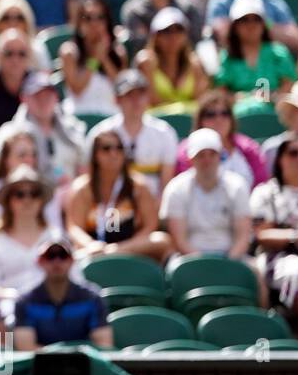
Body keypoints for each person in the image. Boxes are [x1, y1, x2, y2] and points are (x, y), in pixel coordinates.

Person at [66, 131, 172, 263]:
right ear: (95, 155)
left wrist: (119, 249)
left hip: (130, 250)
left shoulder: (139, 187)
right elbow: (74, 228)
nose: (113, 153)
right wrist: (90, 245)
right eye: (106, 148)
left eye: (119, 148)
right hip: (93, 251)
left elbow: (150, 226)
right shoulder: (82, 189)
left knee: (161, 240)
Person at [161, 128, 253, 260]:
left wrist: (229, 261)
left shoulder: (237, 186)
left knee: (256, 272)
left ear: (220, 156)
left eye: (212, 154)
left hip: (232, 258)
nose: (207, 160)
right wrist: (203, 262)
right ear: (190, 159)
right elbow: (179, 241)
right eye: (201, 155)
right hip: (188, 260)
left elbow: (243, 237)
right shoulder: (176, 189)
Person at [12, 234, 113, 350]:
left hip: (84, 366)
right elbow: (26, 348)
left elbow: (104, 346)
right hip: (40, 367)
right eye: (50, 256)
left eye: (63, 255)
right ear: (39, 261)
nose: (57, 261)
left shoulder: (92, 297)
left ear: (72, 260)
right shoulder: (24, 301)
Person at [0, 165, 59, 298]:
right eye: (19, 194)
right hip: (9, 312)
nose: (27, 200)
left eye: (34, 194)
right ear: (9, 201)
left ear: (41, 201)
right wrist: (16, 297)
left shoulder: (56, 237)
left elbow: (75, 279)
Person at [93, 70, 179, 198]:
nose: (136, 100)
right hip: (112, 207)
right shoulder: (101, 133)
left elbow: (165, 186)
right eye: (129, 95)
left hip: (152, 206)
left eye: (141, 94)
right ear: (117, 99)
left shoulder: (165, 133)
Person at [252, 132, 298, 296]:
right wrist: (297, 236)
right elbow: (261, 234)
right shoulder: (266, 193)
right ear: (280, 158)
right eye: (293, 153)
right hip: (280, 257)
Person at [174, 90, 269, 191]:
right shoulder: (187, 151)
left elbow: (261, 185)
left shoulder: (248, 148)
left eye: (225, 113)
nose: (218, 119)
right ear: (200, 120)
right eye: (210, 114)